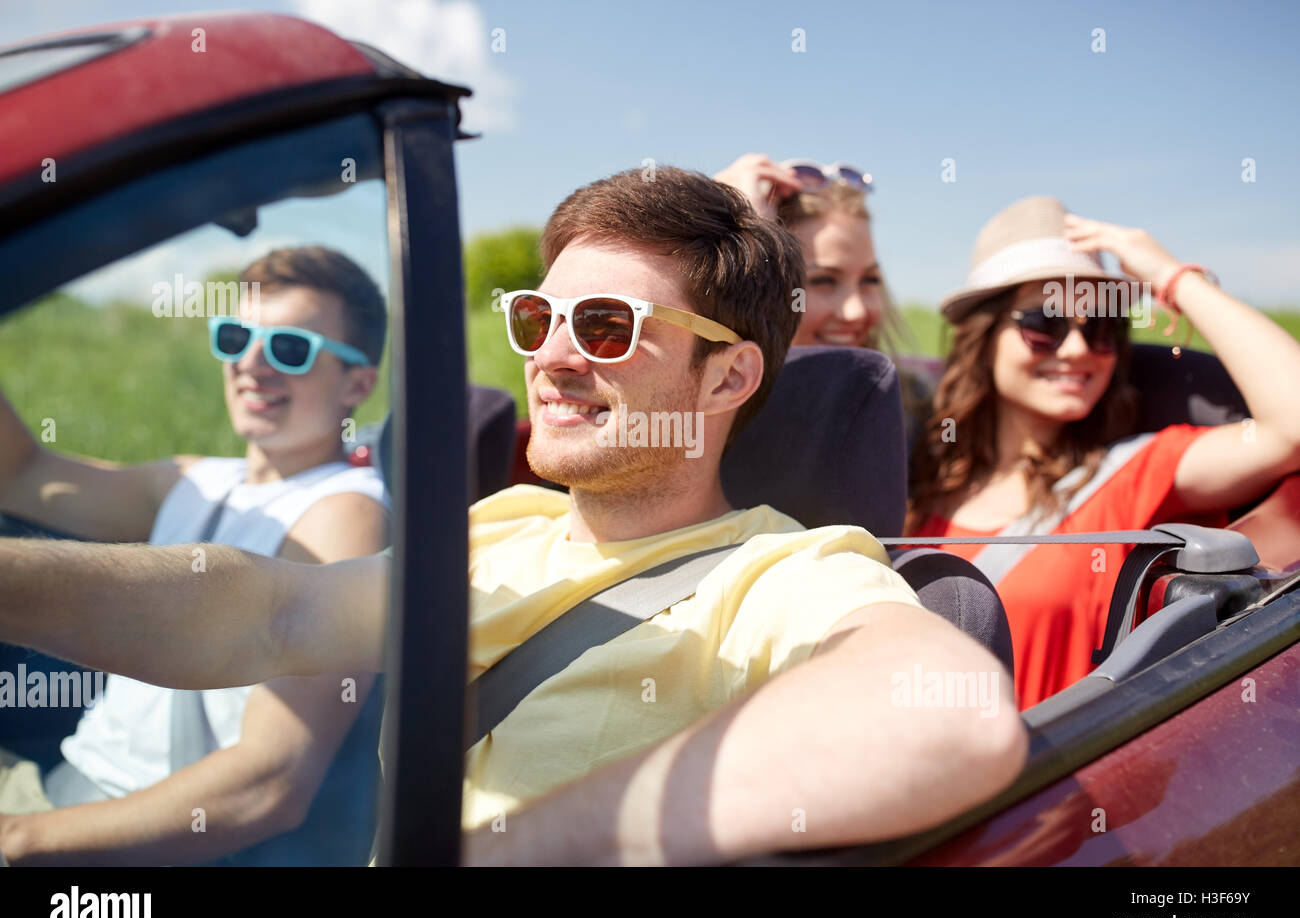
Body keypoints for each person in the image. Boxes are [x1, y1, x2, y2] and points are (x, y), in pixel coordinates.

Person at [0, 168, 1027, 867]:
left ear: (727, 377)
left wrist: (502, 850)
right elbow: (270, 614)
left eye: (608, 326)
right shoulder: (503, 525)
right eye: (539, 318)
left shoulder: (784, 570)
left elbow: (946, 716)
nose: (551, 357)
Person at [0, 246, 391, 864]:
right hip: (60, 787)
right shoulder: (196, 479)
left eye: (290, 348)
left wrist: (20, 840)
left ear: (358, 383)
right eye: (236, 338)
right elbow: (22, 473)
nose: (251, 364)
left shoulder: (345, 511)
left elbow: (271, 781)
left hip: (118, 843)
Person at [907, 196, 1300, 709]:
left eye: (1099, 328)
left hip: (1050, 759)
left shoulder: (1134, 472)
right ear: (983, 335)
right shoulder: (921, 467)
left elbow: (1292, 426)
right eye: (1045, 324)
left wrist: (1174, 277)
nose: (1076, 349)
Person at [713, 154, 930, 440]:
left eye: (869, 280)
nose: (856, 311)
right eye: (824, 280)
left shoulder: (912, 408)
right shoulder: (706, 416)